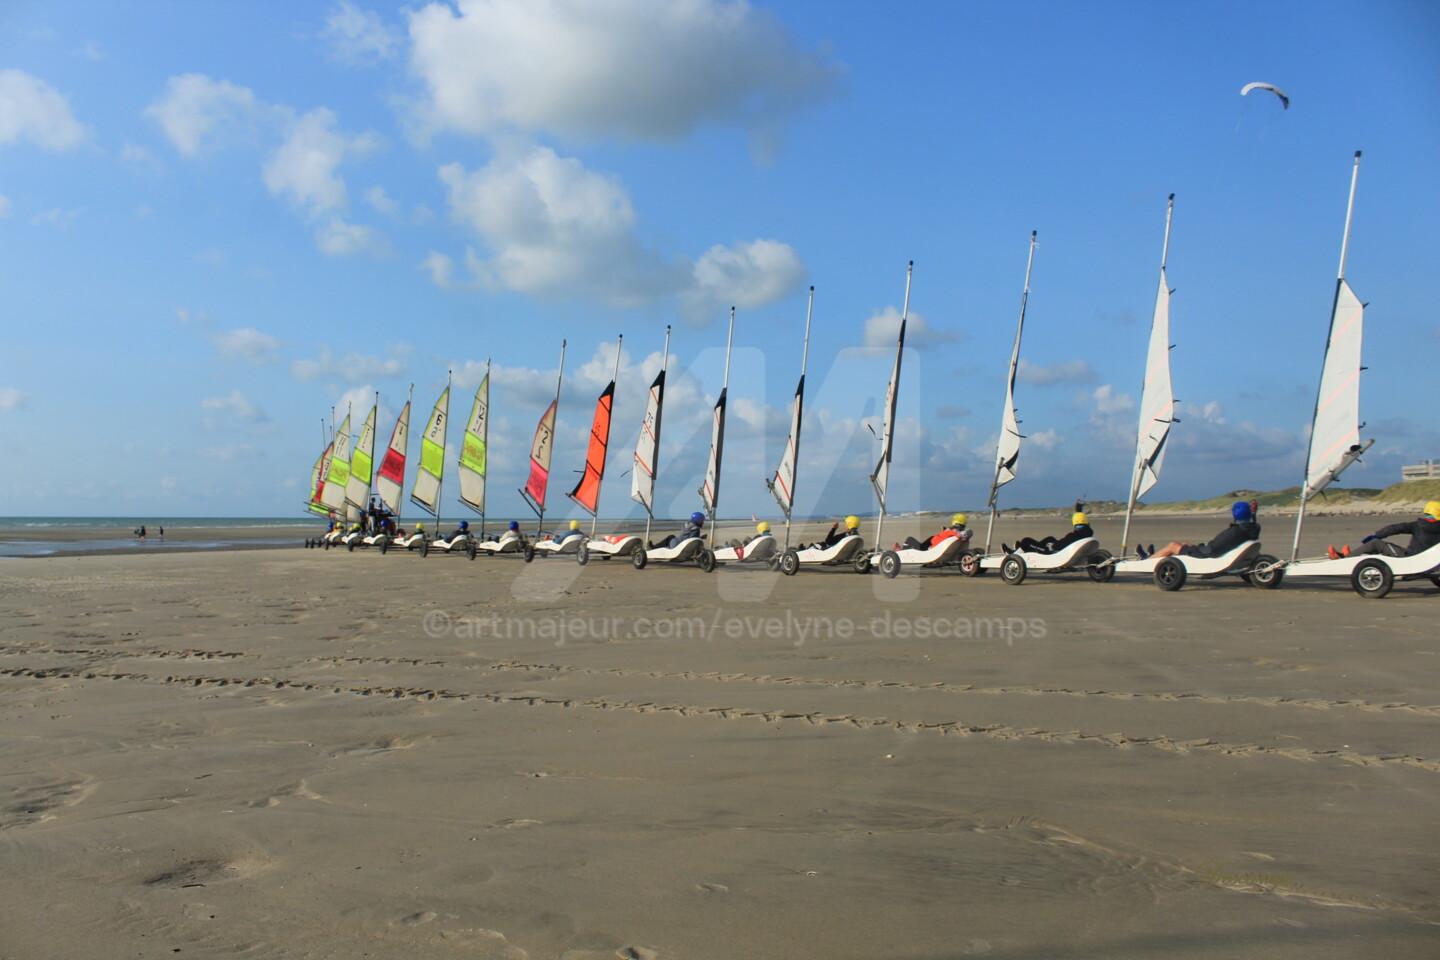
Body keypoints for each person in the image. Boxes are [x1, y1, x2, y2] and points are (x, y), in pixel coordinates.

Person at [1141, 501, 1259, 560]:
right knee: (1185, 545)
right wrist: (1253, 513)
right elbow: (1251, 522)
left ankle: (1147, 561)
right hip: (1210, 550)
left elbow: (1213, 550)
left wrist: (1200, 547)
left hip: (1207, 554)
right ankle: (1153, 556)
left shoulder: (1234, 532)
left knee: (1173, 545)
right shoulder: (1252, 529)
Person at [1327, 501, 1440, 559]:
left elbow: (1394, 529)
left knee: (1375, 543)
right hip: (1427, 560)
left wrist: (1377, 535)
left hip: (1409, 558)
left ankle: (1345, 558)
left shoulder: (1417, 525)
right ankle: (1353, 555)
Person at [1008, 511, 1094, 555]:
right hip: (1062, 550)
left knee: (1026, 541)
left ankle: (1014, 554)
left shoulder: (1074, 536)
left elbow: (1064, 543)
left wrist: (1053, 546)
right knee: (1050, 538)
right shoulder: (1086, 534)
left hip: (1054, 553)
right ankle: (1020, 548)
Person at [898, 513, 972, 552]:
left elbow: (955, 534)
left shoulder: (954, 532)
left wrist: (946, 530)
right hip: (935, 543)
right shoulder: (959, 532)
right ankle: (902, 550)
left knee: (909, 539)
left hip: (930, 546)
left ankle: (901, 552)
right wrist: (945, 530)